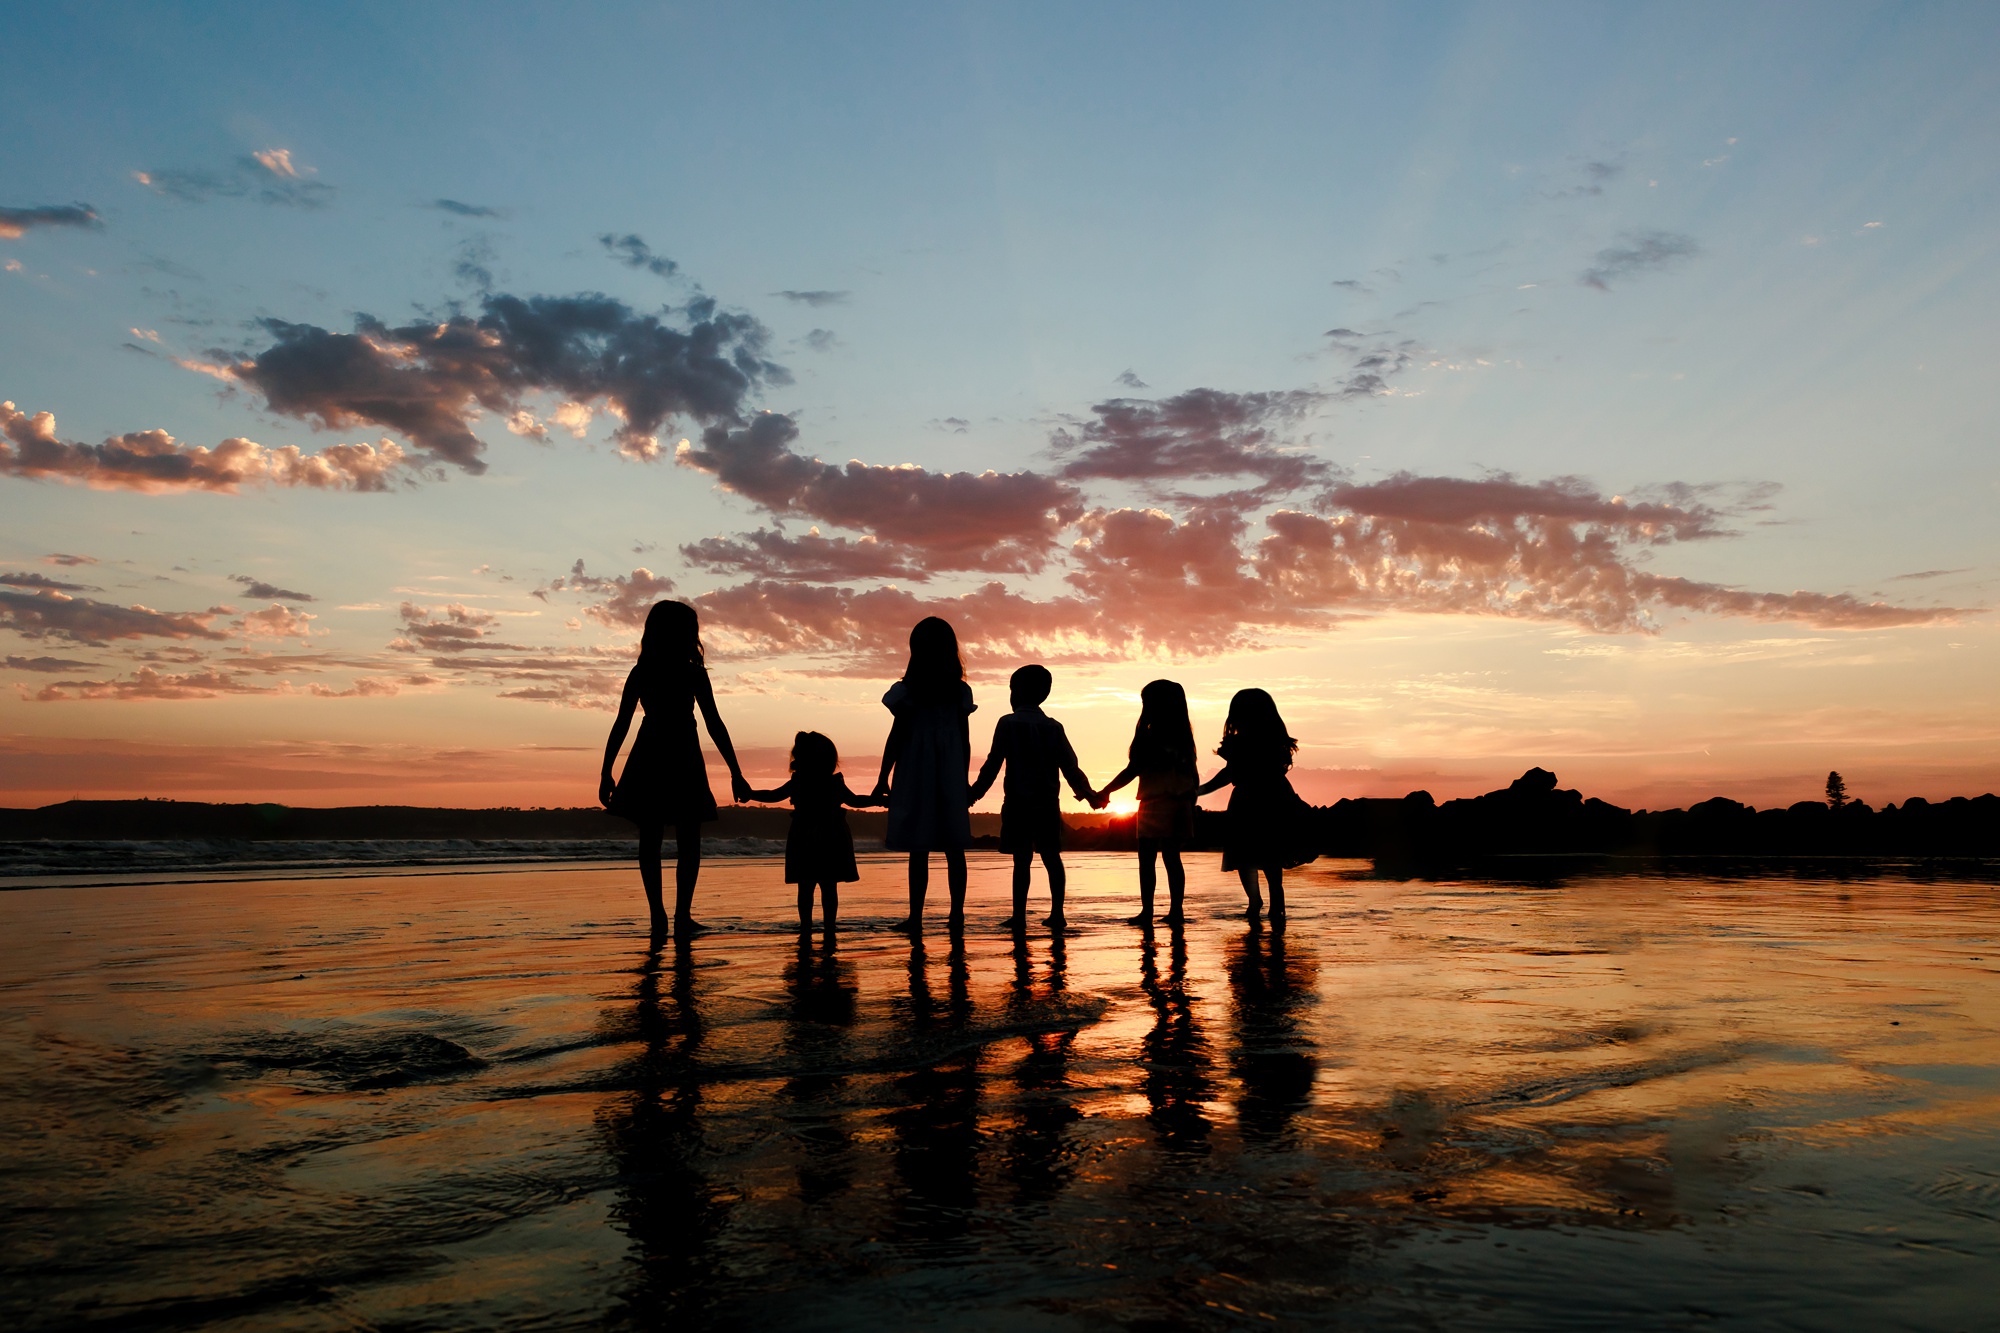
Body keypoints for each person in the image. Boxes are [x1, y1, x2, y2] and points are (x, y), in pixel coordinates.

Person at [600, 600, 750, 933]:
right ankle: (679, 915)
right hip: (679, 752)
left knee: (652, 838)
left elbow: (622, 723)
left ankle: (662, 916)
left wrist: (606, 770)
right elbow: (714, 723)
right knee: (687, 839)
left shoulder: (645, 671)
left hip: (652, 752)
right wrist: (735, 772)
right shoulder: (690, 672)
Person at [967, 664, 1097, 931]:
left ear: (1016, 692)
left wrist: (973, 794)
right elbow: (1070, 766)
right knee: (1052, 857)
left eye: (1012, 689)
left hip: (1017, 803)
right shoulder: (1053, 726)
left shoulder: (1007, 723)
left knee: (1021, 860)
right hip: (1047, 804)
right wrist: (1088, 794)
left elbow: (993, 764)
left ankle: (1019, 916)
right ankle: (1057, 913)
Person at [872, 617, 976, 931]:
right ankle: (955, 915)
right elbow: (964, 739)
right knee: (953, 848)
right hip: (948, 773)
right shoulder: (958, 691)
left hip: (916, 771)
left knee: (920, 848)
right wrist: (963, 779)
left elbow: (896, 737)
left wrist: (882, 777)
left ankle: (916, 917)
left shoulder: (908, 692)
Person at [1194, 687, 1315, 921]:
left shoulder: (1244, 744)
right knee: (1268, 854)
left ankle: (1257, 901)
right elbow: (1232, 773)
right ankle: (1273, 902)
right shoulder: (1274, 743)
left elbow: (1228, 774)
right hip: (1274, 798)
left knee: (1248, 856)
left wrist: (1201, 791)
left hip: (1251, 802)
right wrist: (1201, 790)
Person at [745, 730, 880, 933]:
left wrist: (750, 794)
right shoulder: (832, 783)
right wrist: (878, 800)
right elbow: (855, 800)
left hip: (804, 837)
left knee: (806, 887)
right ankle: (829, 928)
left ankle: (806, 927)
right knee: (828, 887)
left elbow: (773, 795)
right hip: (831, 837)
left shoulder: (801, 782)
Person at [1095, 679, 1199, 925]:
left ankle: (1148, 912)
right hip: (1179, 803)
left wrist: (1105, 791)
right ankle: (1176, 911)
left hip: (1154, 804)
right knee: (1172, 857)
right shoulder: (1184, 738)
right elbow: (1192, 776)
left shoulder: (1150, 736)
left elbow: (1132, 770)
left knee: (1147, 859)